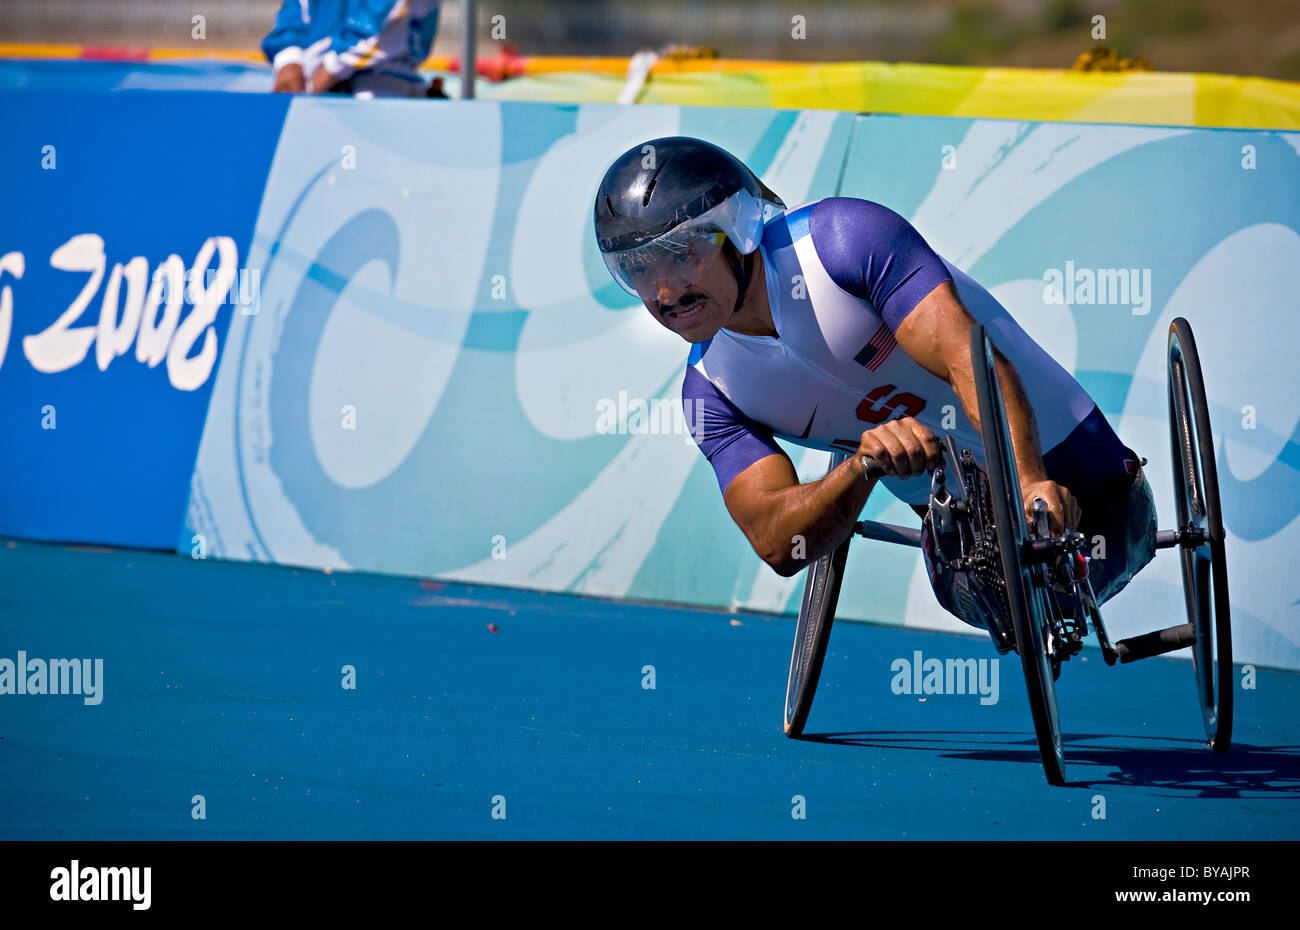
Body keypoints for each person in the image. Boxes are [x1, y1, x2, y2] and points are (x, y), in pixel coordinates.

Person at [592, 136, 1157, 639]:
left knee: (1081, 542)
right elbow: (774, 538)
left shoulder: (841, 242)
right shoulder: (710, 392)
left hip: (1092, 483)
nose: (664, 293)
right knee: (996, 600)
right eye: (637, 271)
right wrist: (860, 468)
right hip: (969, 539)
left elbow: (967, 358)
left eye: (681, 256)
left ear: (736, 229)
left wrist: (1031, 479)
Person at [262, 0, 444, 100]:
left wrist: (331, 67)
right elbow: (297, 7)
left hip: (379, 92)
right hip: (310, 89)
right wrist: (288, 59)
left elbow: (387, 9)